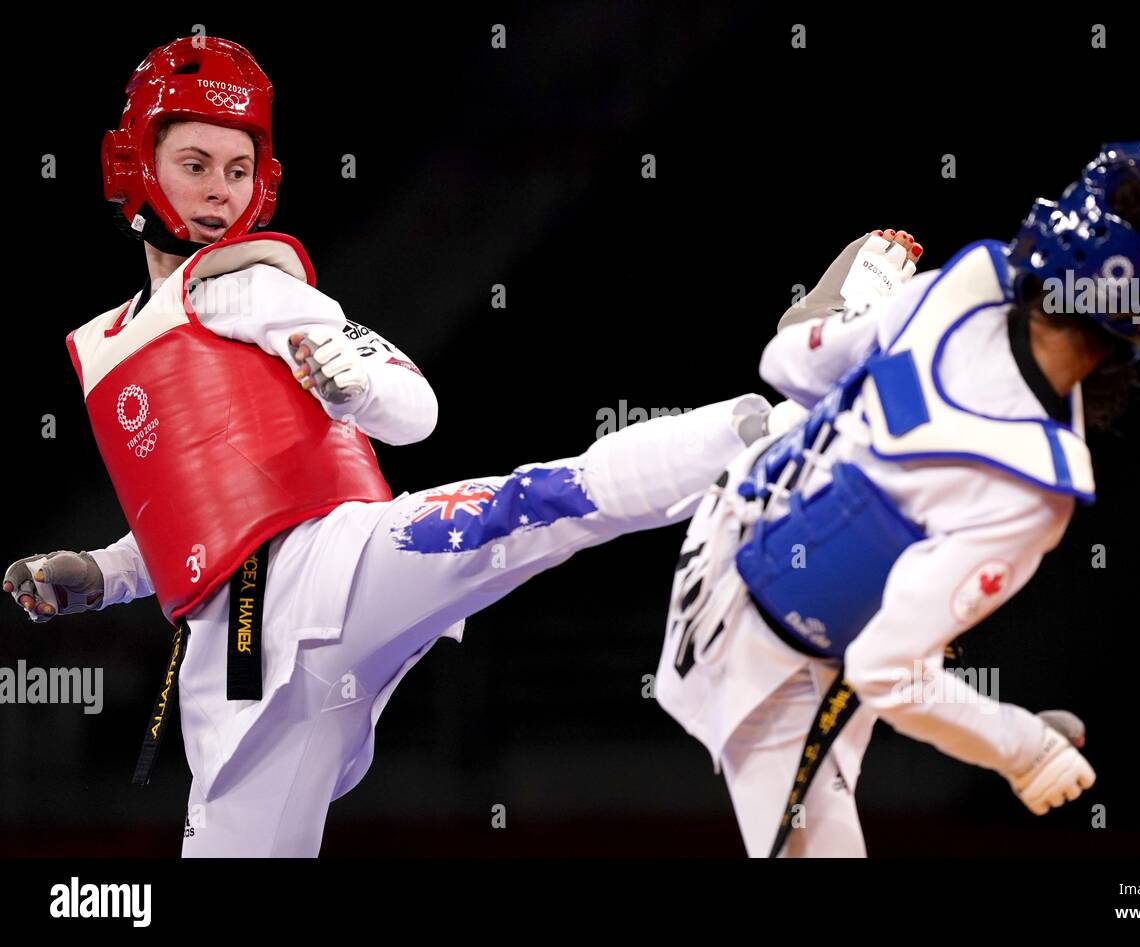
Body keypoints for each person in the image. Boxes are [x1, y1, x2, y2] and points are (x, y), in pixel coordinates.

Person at [4, 35, 771, 856]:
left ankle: (760, 430)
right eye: (196, 164)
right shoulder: (106, 349)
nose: (220, 193)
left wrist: (352, 384)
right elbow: (190, 522)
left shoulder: (251, 284)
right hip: (233, 668)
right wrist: (107, 572)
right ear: (135, 164)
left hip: (337, 568)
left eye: (237, 169)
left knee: (527, 509)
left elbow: (415, 409)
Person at [655, 141, 1140, 857]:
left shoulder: (972, 276)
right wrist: (1020, 748)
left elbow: (785, 363)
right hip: (773, 663)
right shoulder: (1038, 482)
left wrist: (861, 307)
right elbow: (886, 671)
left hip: (732, 517)